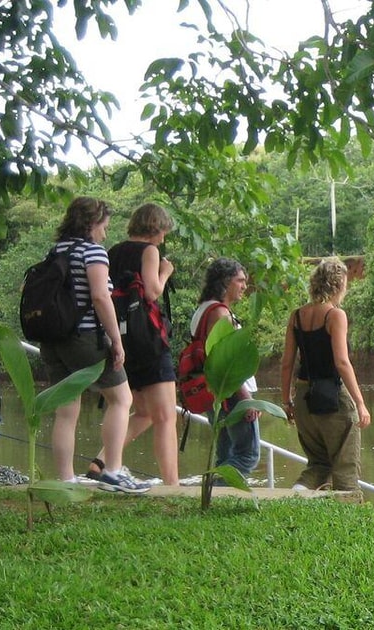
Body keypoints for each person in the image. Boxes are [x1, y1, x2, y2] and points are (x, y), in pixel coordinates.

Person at [39, 196, 149, 493]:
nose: (105, 233)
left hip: (54, 340)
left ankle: (66, 480)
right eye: (104, 226)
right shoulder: (93, 252)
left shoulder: (56, 251)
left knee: (66, 409)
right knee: (121, 399)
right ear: (91, 224)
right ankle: (112, 471)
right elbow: (101, 297)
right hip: (86, 339)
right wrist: (116, 340)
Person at [86, 203, 178, 485]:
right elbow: (151, 292)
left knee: (145, 413)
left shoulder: (113, 251)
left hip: (123, 340)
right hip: (148, 340)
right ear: (155, 228)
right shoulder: (149, 251)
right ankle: (172, 484)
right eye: (163, 232)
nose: (163, 238)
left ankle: (101, 461)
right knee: (165, 416)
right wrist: (165, 272)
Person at [280, 258, 372, 491]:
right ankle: (349, 515)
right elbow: (342, 362)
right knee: (345, 466)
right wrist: (360, 403)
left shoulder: (296, 316)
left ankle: (297, 497)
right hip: (331, 397)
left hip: (302, 396)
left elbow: (287, 363)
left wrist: (287, 401)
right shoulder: (335, 315)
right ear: (339, 284)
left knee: (318, 464)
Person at [191, 258, 260, 478]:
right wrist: (246, 398)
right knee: (246, 454)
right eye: (240, 280)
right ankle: (215, 490)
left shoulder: (202, 310)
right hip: (229, 393)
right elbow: (225, 362)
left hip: (214, 392)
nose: (244, 286)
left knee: (225, 453)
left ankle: (215, 500)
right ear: (225, 282)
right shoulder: (220, 314)